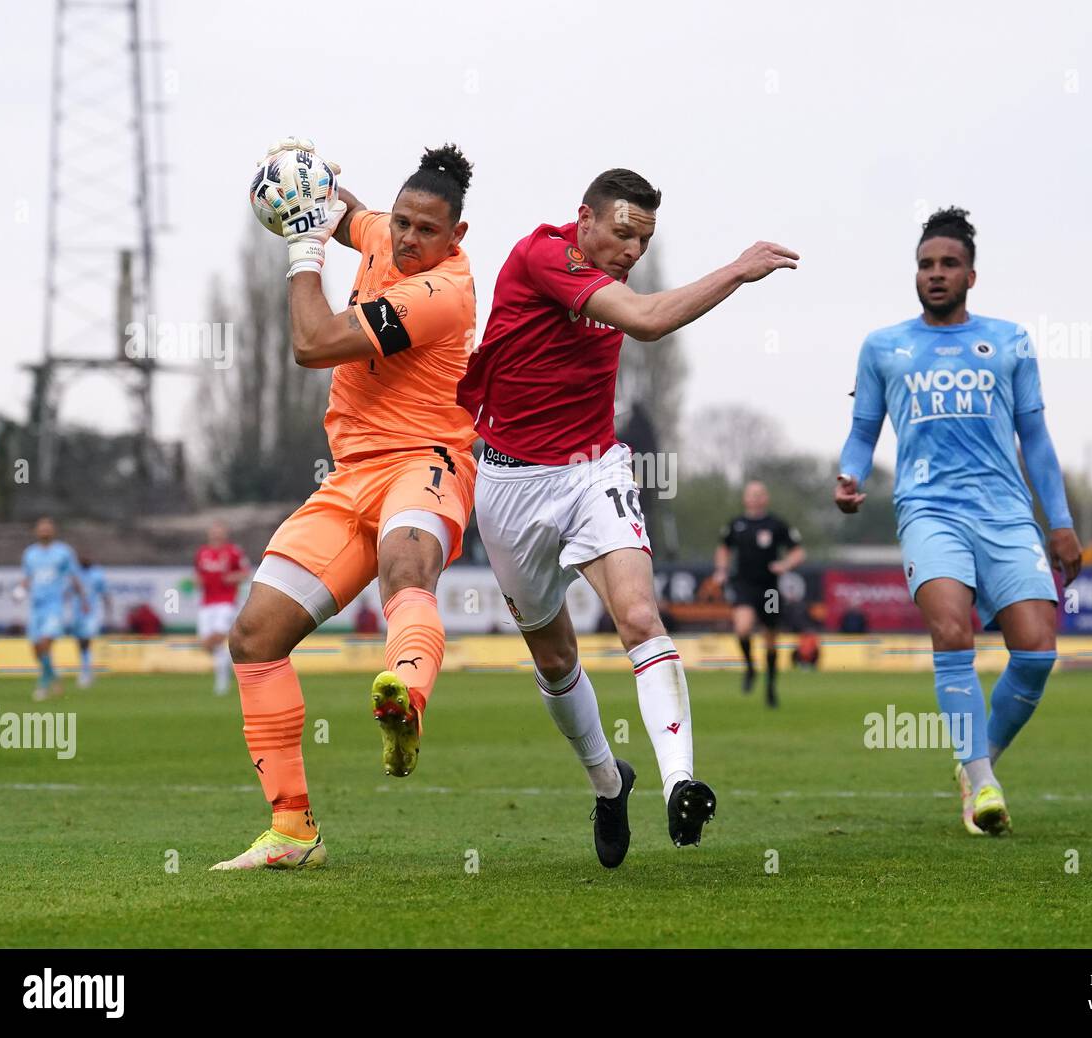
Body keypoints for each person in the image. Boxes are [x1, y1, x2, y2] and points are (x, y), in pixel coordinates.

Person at [458, 167, 798, 867]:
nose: (631, 251)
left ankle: (681, 784)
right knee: (555, 661)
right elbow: (647, 322)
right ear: (584, 218)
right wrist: (736, 270)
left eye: (643, 240)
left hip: (594, 470)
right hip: (508, 484)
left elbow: (639, 315)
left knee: (639, 616)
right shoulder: (541, 255)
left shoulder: (606, 278)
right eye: (622, 233)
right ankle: (610, 784)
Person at [214, 140, 478, 871]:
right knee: (255, 637)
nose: (407, 238)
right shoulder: (384, 232)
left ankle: (407, 698)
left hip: (427, 462)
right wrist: (314, 187)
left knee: (404, 568)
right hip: (349, 475)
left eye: (427, 230)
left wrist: (303, 248)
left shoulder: (443, 292)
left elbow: (312, 342)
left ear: (456, 237)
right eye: (403, 223)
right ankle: (293, 832)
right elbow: (353, 216)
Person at [835, 207, 1081, 836]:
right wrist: (850, 475)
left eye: (948, 264)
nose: (935, 274)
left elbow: (1037, 437)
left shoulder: (1010, 340)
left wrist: (1060, 520)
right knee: (951, 631)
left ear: (972, 274)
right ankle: (985, 787)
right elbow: (864, 431)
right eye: (925, 265)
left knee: (1036, 650)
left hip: (1005, 512)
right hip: (928, 508)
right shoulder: (883, 346)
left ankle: (976, 767)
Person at [712, 481, 805, 706]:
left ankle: (770, 687)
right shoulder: (736, 524)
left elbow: (798, 551)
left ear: (766, 498)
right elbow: (723, 548)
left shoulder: (776, 524)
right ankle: (750, 667)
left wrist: (785, 564)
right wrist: (722, 570)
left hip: (769, 589)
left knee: (770, 639)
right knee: (742, 628)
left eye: (759, 494)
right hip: (744, 585)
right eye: (751, 494)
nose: (754, 498)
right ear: (745, 498)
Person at [17, 517, 85, 701]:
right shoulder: (30, 554)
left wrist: (84, 600)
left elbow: (75, 576)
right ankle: (54, 676)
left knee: (45, 642)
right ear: (36, 531)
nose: (45, 530)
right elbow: (27, 577)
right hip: (36, 606)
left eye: (48, 527)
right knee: (36, 649)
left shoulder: (63, 552)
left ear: (54, 531)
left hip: (54, 606)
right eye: (42, 528)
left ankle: (43, 685)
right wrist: (20, 590)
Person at [194, 522, 249, 695]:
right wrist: (198, 581)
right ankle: (233, 664)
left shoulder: (233, 551)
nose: (216, 535)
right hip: (207, 603)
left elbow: (245, 573)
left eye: (219, 532)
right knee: (208, 645)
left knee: (216, 637)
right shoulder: (202, 553)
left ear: (225, 534)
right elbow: (197, 574)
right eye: (213, 532)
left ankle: (222, 685)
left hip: (226, 602)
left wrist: (233, 577)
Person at [69, 555, 112, 689]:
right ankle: (86, 669)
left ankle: (85, 672)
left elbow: (105, 594)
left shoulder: (97, 574)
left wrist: (108, 612)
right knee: (80, 643)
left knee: (86, 641)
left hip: (91, 614)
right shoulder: (75, 573)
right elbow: (67, 591)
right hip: (77, 613)